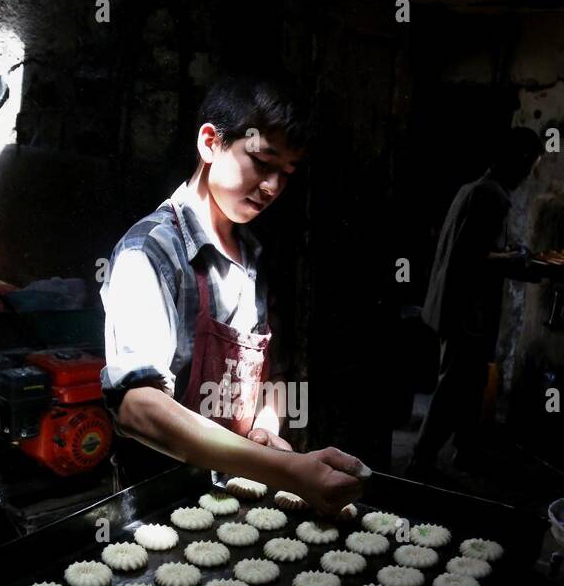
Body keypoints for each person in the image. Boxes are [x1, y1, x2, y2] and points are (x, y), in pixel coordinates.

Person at [99, 73, 365, 515]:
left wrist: (266, 423)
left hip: (235, 495)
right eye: (262, 162)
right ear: (209, 143)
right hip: (159, 504)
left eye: (286, 173)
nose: (273, 187)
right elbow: (137, 407)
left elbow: (270, 376)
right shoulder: (150, 252)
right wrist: (286, 470)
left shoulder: (252, 255)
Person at [408, 127, 543, 480]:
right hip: (466, 311)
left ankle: (465, 451)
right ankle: (420, 459)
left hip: (456, 306)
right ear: (517, 160)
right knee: (453, 387)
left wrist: (509, 253)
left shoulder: (472, 189)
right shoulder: (490, 196)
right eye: (528, 165)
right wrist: (515, 261)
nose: (528, 174)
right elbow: (473, 257)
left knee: (470, 383)